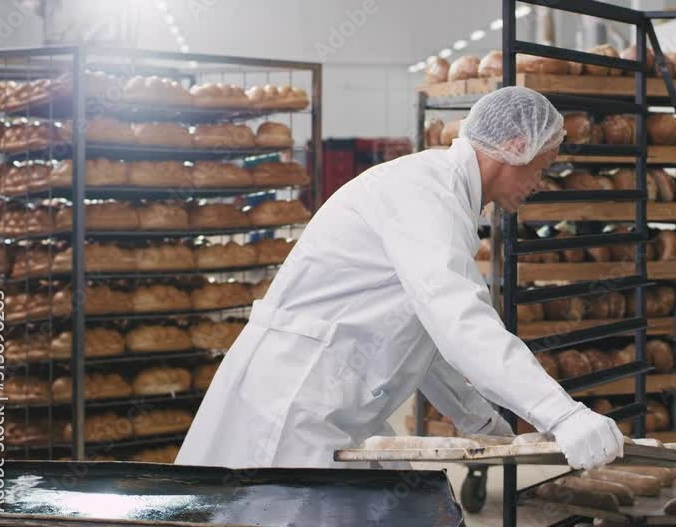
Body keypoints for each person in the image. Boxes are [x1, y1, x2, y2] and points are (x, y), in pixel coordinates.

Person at [177, 87, 624, 471]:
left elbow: (425, 337)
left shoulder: (444, 198)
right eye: (542, 168)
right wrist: (561, 414)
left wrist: (479, 421)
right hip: (291, 403)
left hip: (334, 403)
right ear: (515, 144)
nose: (540, 183)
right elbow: (460, 323)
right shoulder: (424, 192)